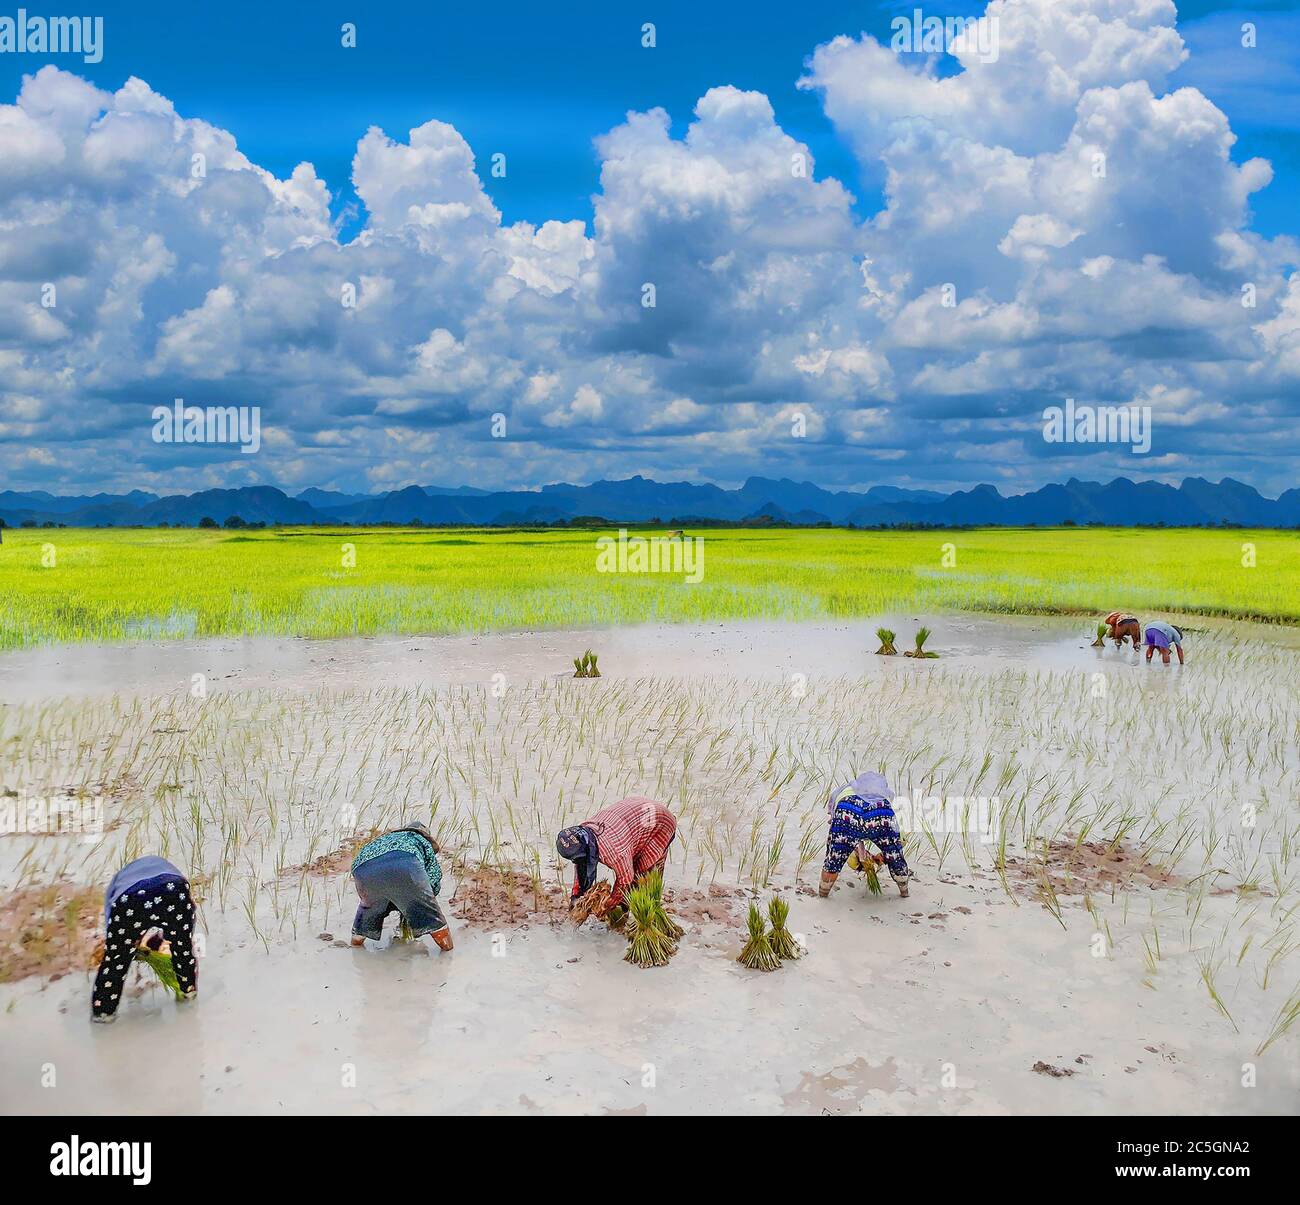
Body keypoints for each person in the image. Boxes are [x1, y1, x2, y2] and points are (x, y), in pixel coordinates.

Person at [92, 856, 198, 1023]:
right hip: (174, 889)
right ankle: (188, 991)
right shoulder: (165, 866)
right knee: (182, 947)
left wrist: (128, 948)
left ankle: (103, 1014)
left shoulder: (117, 884)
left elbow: (114, 929)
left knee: (115, 962)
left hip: (129, 899)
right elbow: (173, 930)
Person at [556, 796, 677, 925]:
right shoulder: (582, 834)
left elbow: (625, 880)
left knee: (641, 875)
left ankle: (638, 916)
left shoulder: (614, 852)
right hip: (633, 813)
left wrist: (610, 904)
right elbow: (580, 867)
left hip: (659, 822)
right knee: (632, 875)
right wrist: (576, 897)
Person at [350, 822, 453, 951]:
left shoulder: (384, 839)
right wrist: (424, 902)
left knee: (369, 907)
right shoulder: (420, 839)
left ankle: (356, 945)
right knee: (433, 918)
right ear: (425, 835)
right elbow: (434, 877)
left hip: (361, 868)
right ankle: (448, 952)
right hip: (404, 861)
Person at [819, 771, 912, 899]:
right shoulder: (883, 798)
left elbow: (839, 829)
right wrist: (884, 856)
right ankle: (904, 891)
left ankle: (823, 894)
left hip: (847, 809)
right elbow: (899, 840)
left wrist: (858, 852)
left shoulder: (844, 792)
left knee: (833, 860)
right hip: (879, 812)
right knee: (895, 856)